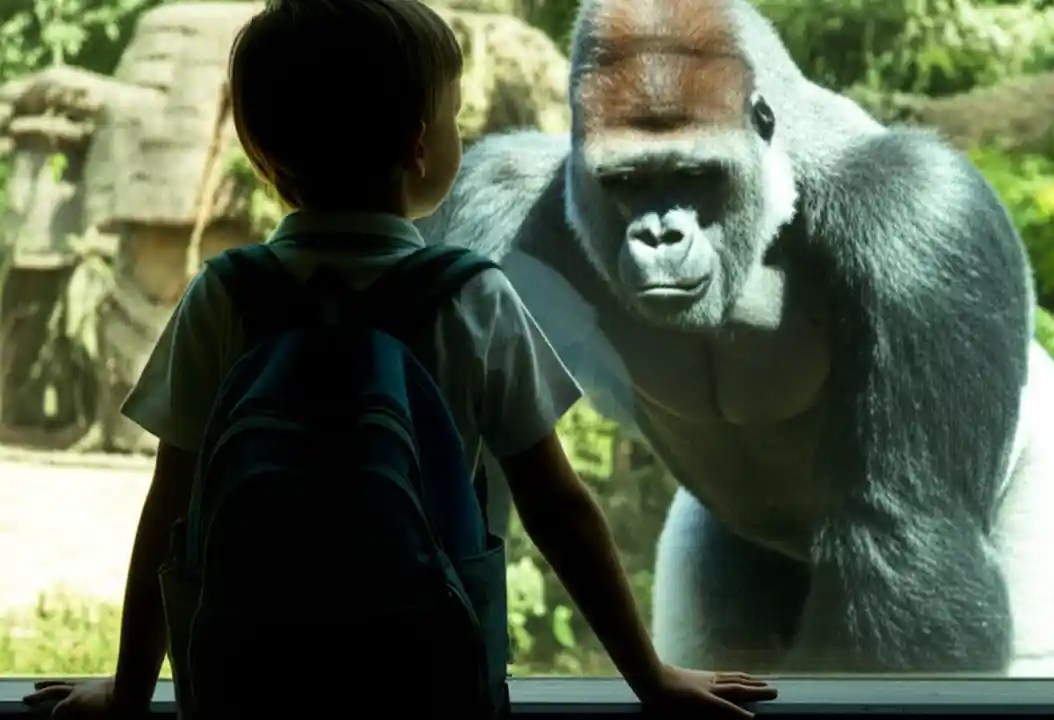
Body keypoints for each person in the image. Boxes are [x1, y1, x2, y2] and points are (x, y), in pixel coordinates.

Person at [22, 0, 779, 718]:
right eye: (453, 116)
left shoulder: (225, 296)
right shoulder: (470, 299)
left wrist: (127, 692)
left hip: (249, 682)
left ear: (260, 152)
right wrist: (650, 676)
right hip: (426, 681)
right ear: (422, 143)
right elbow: (557, 506)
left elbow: (170, 507)